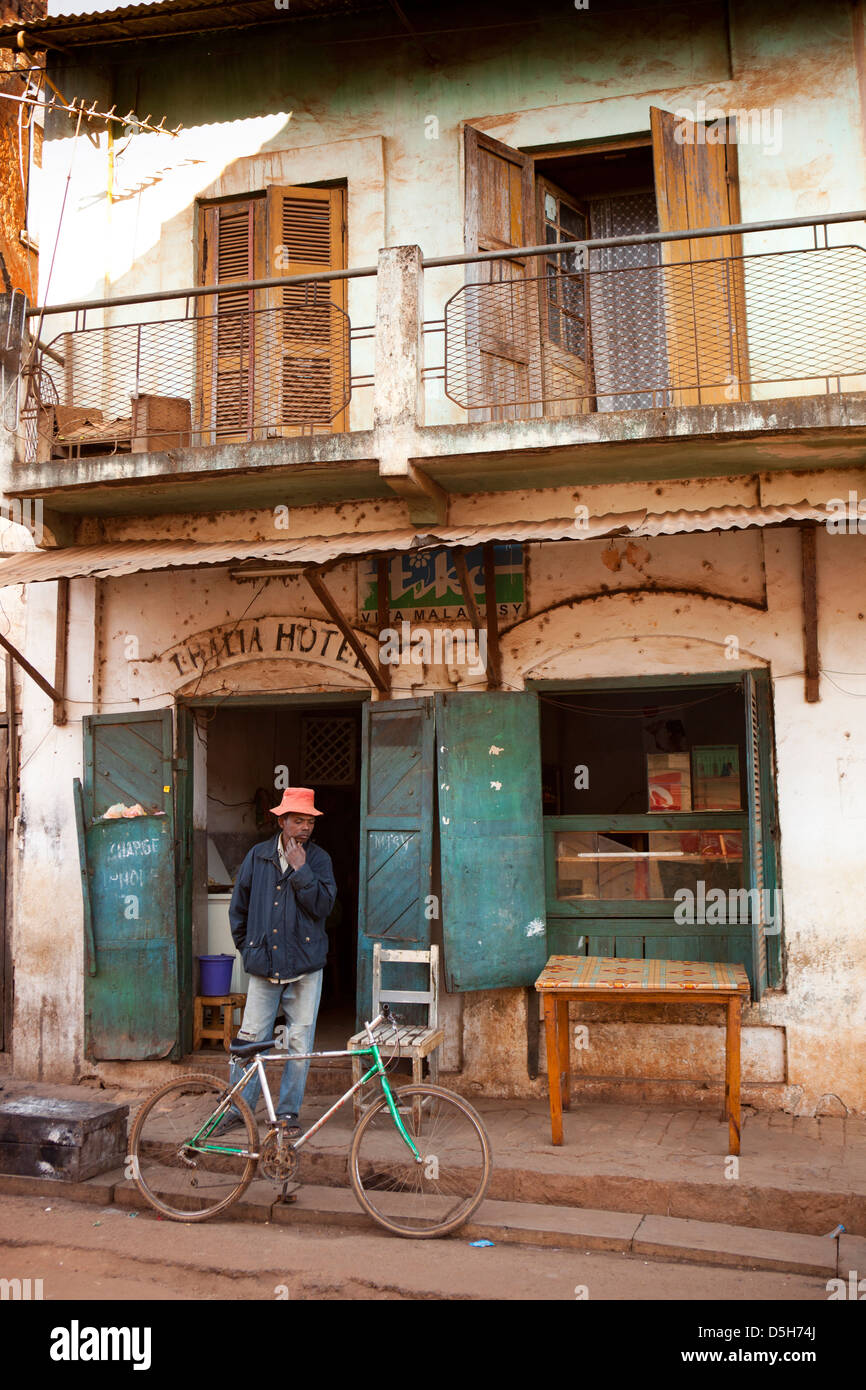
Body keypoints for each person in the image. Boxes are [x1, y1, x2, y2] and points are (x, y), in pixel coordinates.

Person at [219, 787, 336, 1139]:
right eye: (297, 820)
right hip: (263, 967)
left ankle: (287, 1113)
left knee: (299, 1044)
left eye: (309, 822)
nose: (304, 828)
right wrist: (248, 948)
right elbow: (237, 909)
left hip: (305, 968)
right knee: (250, 1039)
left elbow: (323, 908)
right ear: (282, 821)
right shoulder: (257, 857)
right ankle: (239, 1109)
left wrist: (302, 872)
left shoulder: (318, 861)